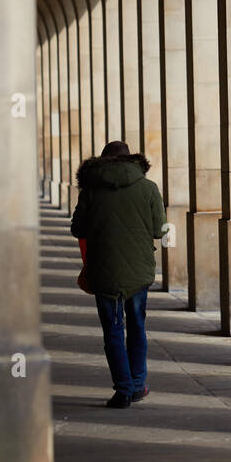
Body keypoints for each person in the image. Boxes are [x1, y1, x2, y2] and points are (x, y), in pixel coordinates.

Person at [70, 140, 166, 409]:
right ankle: (138, 384)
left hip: (104, 270)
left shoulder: (90, 190)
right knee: (137, 327)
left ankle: (123, 390)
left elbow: (78, 229)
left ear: (102, 162)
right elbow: (159, 229)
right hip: (138, 270)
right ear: (132, 160)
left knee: (113, 331)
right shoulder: (149, 188)